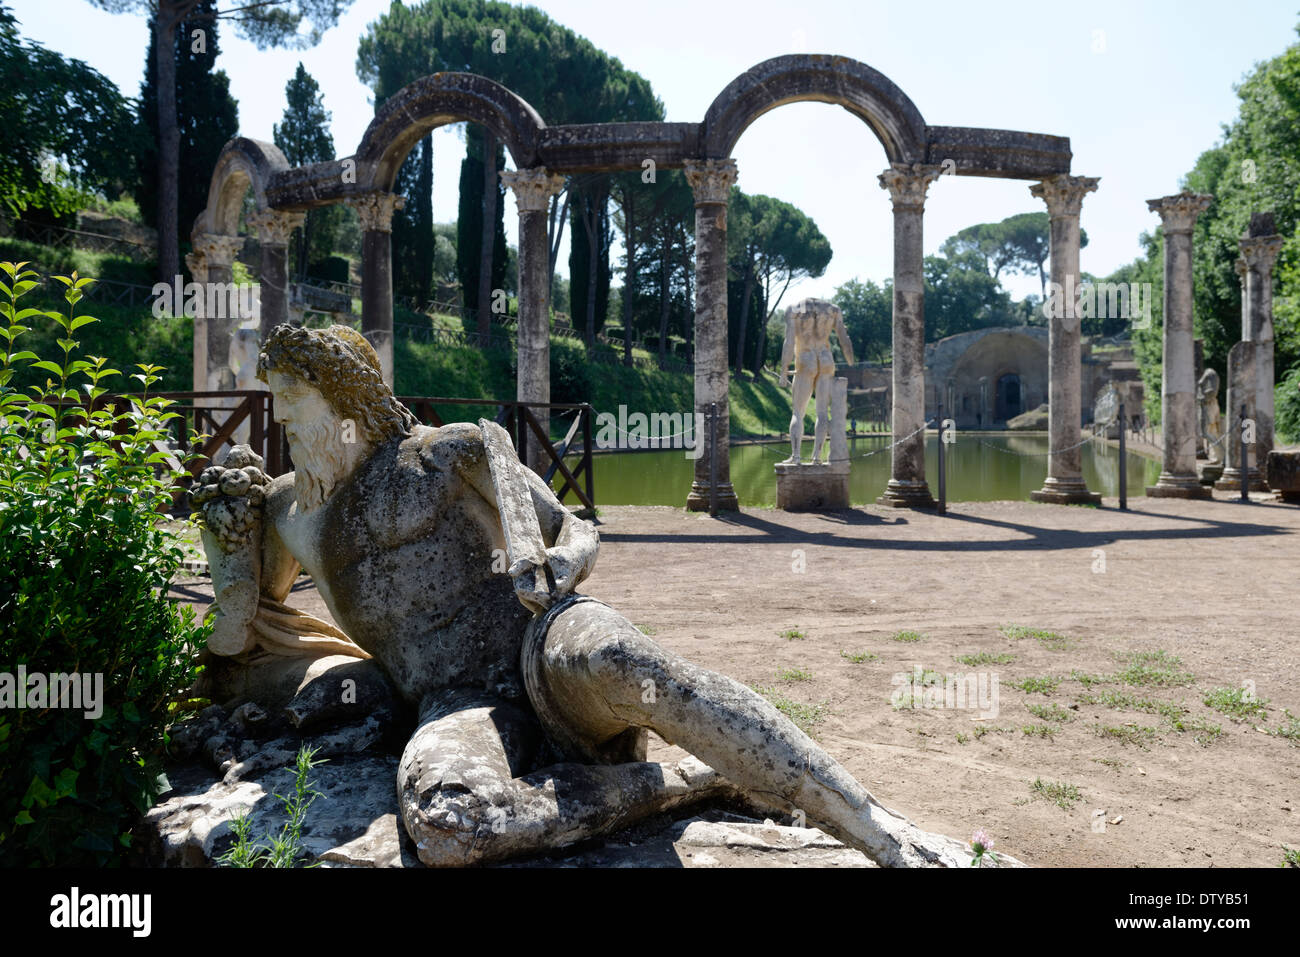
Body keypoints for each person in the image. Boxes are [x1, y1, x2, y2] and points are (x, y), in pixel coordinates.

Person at [195, 323, 991, 868]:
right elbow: (239, 636)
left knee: (625, 657)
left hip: (543, 645)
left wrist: (561, 568)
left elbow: (571, 527)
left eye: (292, 400)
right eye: (275, 401)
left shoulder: (448, 453)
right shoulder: (286, 513)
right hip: (461, 709)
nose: (281, 421)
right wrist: (224, 548)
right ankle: (683, 781)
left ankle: (877, 826)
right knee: (446, 824)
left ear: (342, 397)